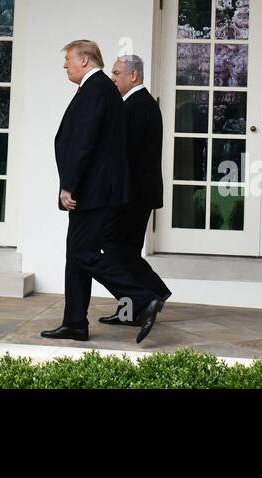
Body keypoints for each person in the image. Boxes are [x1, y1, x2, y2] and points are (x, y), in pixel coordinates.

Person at [41, 39, 167, 344]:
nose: (65, 65)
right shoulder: (100, 89)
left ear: (84, 60)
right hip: (96, 190)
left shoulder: (97, 88)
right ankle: (74, 323)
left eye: (68, 58)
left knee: (83, 252)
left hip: (93, 191)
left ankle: (141, 296)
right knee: (76, 256)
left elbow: (85, 142)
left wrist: (69, 184)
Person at [99, 55, 172, 326]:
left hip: (133, 195)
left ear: (133, 76)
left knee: (114, 246)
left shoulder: (136, 106)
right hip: (139, 193)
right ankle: (130, 311)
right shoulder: (141, 104)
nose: (113, 78)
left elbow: (123, 155)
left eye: (117, 73)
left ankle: (153, 292)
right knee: (125, 249)